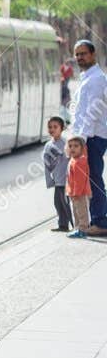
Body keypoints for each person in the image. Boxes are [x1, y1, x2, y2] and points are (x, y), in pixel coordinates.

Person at [72, 40, 107, 230]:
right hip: (87, 136)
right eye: (77, 54)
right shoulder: (86, 76)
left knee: (94, 178)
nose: (79, 57)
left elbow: (92, 112)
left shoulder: (97, 79)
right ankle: (95, 219)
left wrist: (81, 139)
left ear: (93, 55)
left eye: (83, 53)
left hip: (93, 137)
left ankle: (100, 221)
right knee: (90, 178)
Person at [66, 136, 106, 238]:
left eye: (76, 146)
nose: (72, 148)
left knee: (82, 213)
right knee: (75, 212)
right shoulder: (73, 160)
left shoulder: (80, 161)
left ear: (82, 148)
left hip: (80, 193)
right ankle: (77, 228)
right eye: (70, 146)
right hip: (73, 192)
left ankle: (82, 229)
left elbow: (80, 181)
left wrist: (76, 193)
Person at [42, 115, 72, 232]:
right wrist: (49, 180)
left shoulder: (67, 143)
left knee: (67, 204)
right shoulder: (48, 145)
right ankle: (63, 225)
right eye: (50, 127)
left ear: (62, 128)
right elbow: (46, 165)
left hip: (67, 180)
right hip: (57, 180)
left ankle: (76, 225)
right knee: (58, 204)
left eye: (55, 127)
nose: (52, 129)